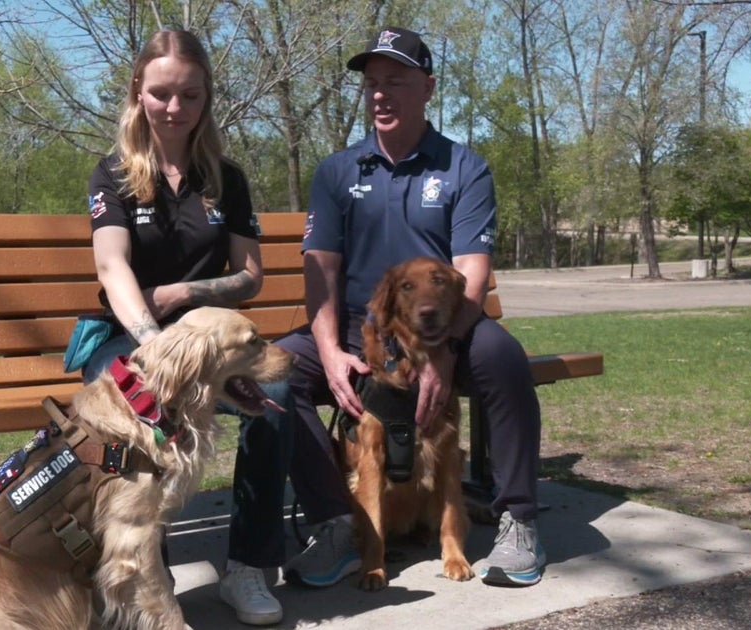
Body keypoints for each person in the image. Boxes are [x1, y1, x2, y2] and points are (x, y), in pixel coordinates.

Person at [277, 27, 546, 588]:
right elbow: (320, 271)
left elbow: (472, 272)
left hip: (445, 327)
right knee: (278, 377)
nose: (380, 93)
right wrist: (328, 352)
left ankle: (517, 519)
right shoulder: (337, 172)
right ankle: (334, 524)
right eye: (372, 83)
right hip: (358, 327)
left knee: (504, 360)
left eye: (395, 81)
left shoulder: (463, 168)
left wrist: (445, 350)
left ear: (427, 88)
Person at [79, 29, 290, 626]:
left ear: (207, 99)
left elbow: (249, 277)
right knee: (127, 393)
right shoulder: (114, 175)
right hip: (135, 334)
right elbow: (112, 264)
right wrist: (153, 339)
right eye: (162, 94)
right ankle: (149, 571)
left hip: (214, 342)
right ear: (137, 93)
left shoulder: (227, 178)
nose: (175, 109)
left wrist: (185, 292)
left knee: (276, 396)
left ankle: (248, 566)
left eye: (190, 96)